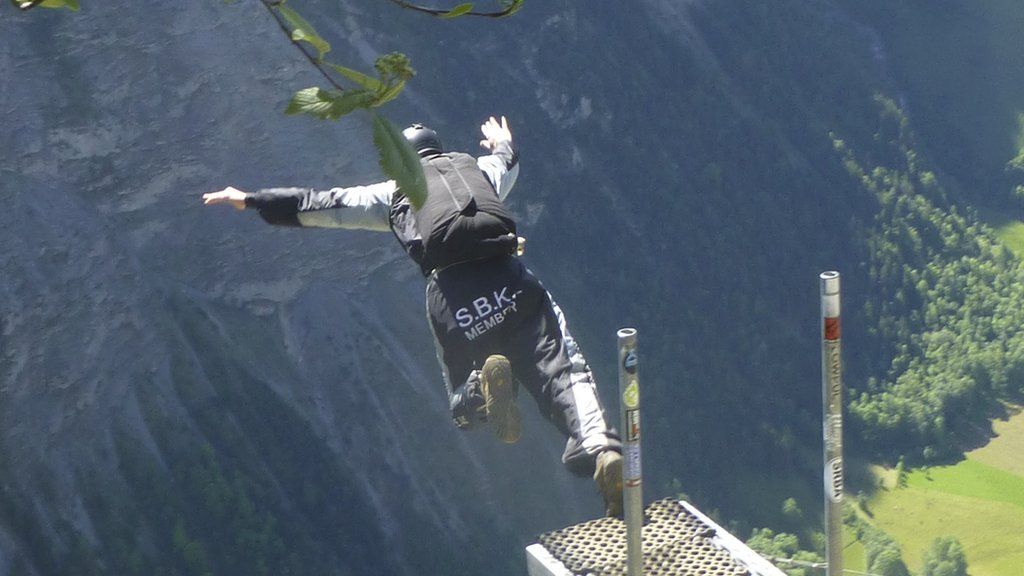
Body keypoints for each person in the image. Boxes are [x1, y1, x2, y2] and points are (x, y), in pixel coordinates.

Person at [203, 116, 624, 516]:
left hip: (452, 299)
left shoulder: (392, 192)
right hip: (509, 279)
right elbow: (506, 159)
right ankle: (599, 445)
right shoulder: (475, 173)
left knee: (460, 391)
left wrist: (252, 200)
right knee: (562, 368)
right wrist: (501, 140)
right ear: (438, 149)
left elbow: (320, 204)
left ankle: (477, 391)